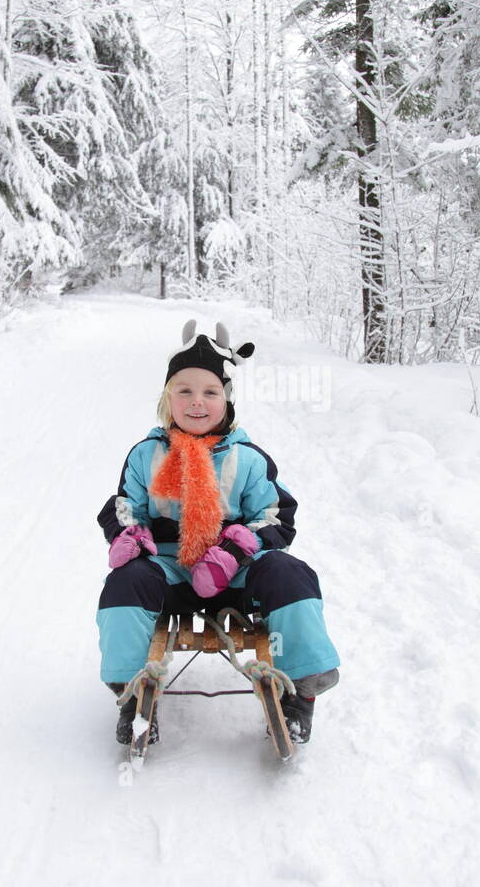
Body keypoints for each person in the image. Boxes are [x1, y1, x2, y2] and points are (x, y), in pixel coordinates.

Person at [96, 320, 340, 747]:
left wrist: (236, 548)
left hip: (235, 575)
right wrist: (130, 534)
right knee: (124, 584)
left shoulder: (245, 459)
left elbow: (275, 514)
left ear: (226, 399)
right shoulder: (146, 454)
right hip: (168, 572)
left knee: (289, 573)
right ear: (167, 397)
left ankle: (301, 691)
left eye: (209, 392)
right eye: (184, 390)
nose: (196, 402)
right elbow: (123, 506)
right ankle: (131, 695)